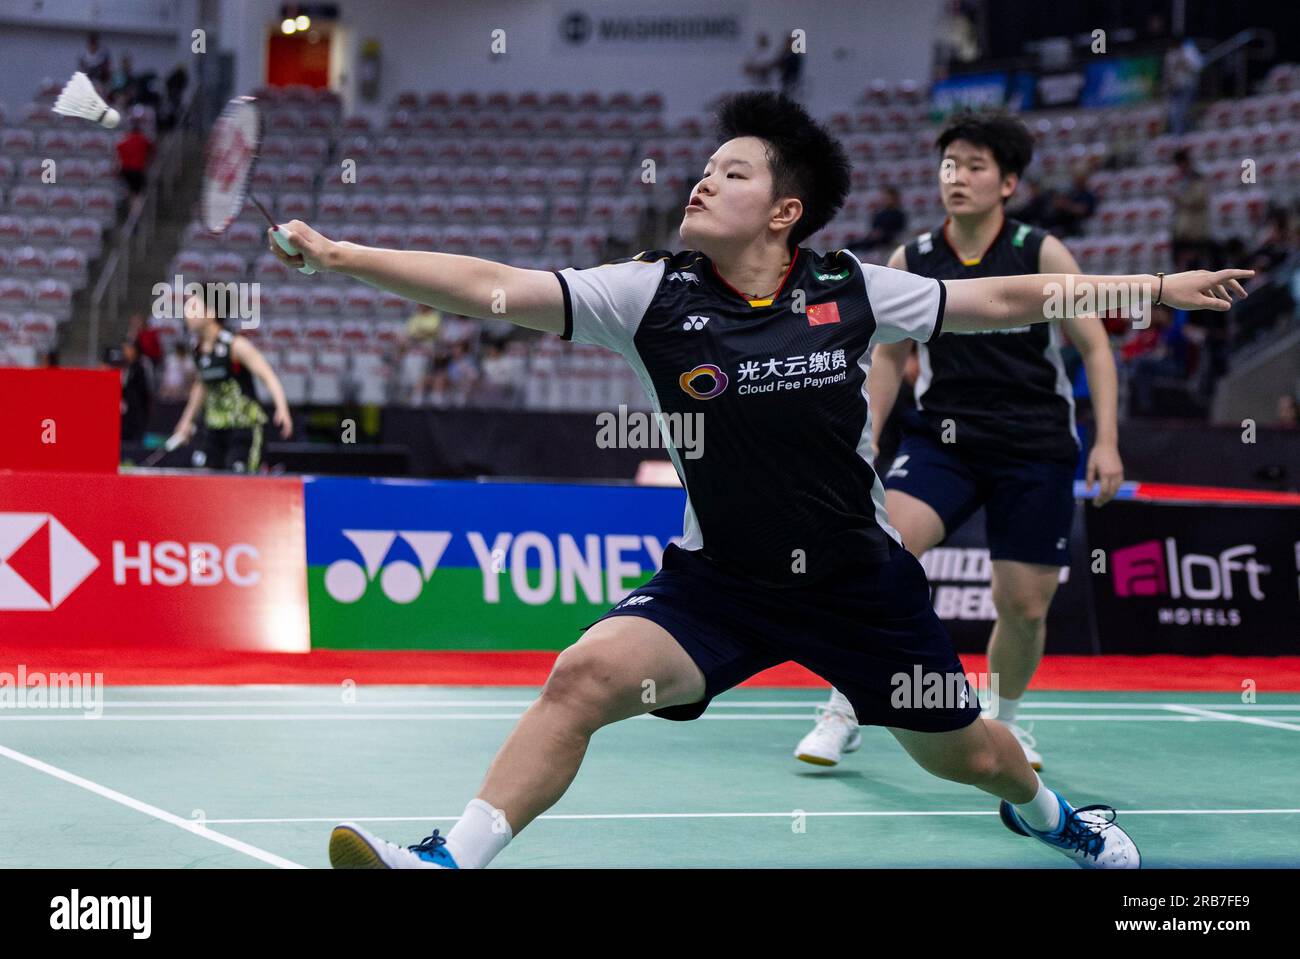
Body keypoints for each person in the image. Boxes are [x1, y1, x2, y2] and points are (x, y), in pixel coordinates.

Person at [266, 91, 1249, 870]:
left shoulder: (849, 287)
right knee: (582, 675)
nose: (702, 182)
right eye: (704, 169)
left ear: (784, 211)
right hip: (721, 584)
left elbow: (1002, 297)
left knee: (972, 754)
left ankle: (1050, 816)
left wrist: (1151, 289)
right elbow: (495, 287)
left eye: (730, 173)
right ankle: (450, 857)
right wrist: (342, 255)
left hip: (858, 586)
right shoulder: (648, 293)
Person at [795, 109, 1125, 771]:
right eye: (950, 165)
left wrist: (1107, 441)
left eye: (976, 167)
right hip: (943, 441)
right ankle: (845, 709)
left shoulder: (1039, 252)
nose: (958, 177)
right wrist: (867, 435)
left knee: (1023, 605)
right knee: (882, 555)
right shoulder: (914, 259)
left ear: (1008, 183)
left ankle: (1004, 722)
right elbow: (889, 356)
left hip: (1036, 444)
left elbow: (1094, 345)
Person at [169, 295, 292, 472]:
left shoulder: (235, 345)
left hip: (244, 427)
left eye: (193, 308)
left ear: (211, 312)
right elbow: (201, 385)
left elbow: (268, 376)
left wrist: (282, 409)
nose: (186, 313)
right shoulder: (197, 348)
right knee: (202, 478)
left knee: (237, 481)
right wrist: (186, 421)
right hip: (214, 428)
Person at [115, 117, 153, 211]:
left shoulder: (124, 142)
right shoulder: (143, 140)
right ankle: (135, 212)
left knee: (131, 192)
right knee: (138, 194)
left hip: (125, 170)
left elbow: (117, 155)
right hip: (137, 170)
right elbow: (152, 150)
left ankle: (131, 209)